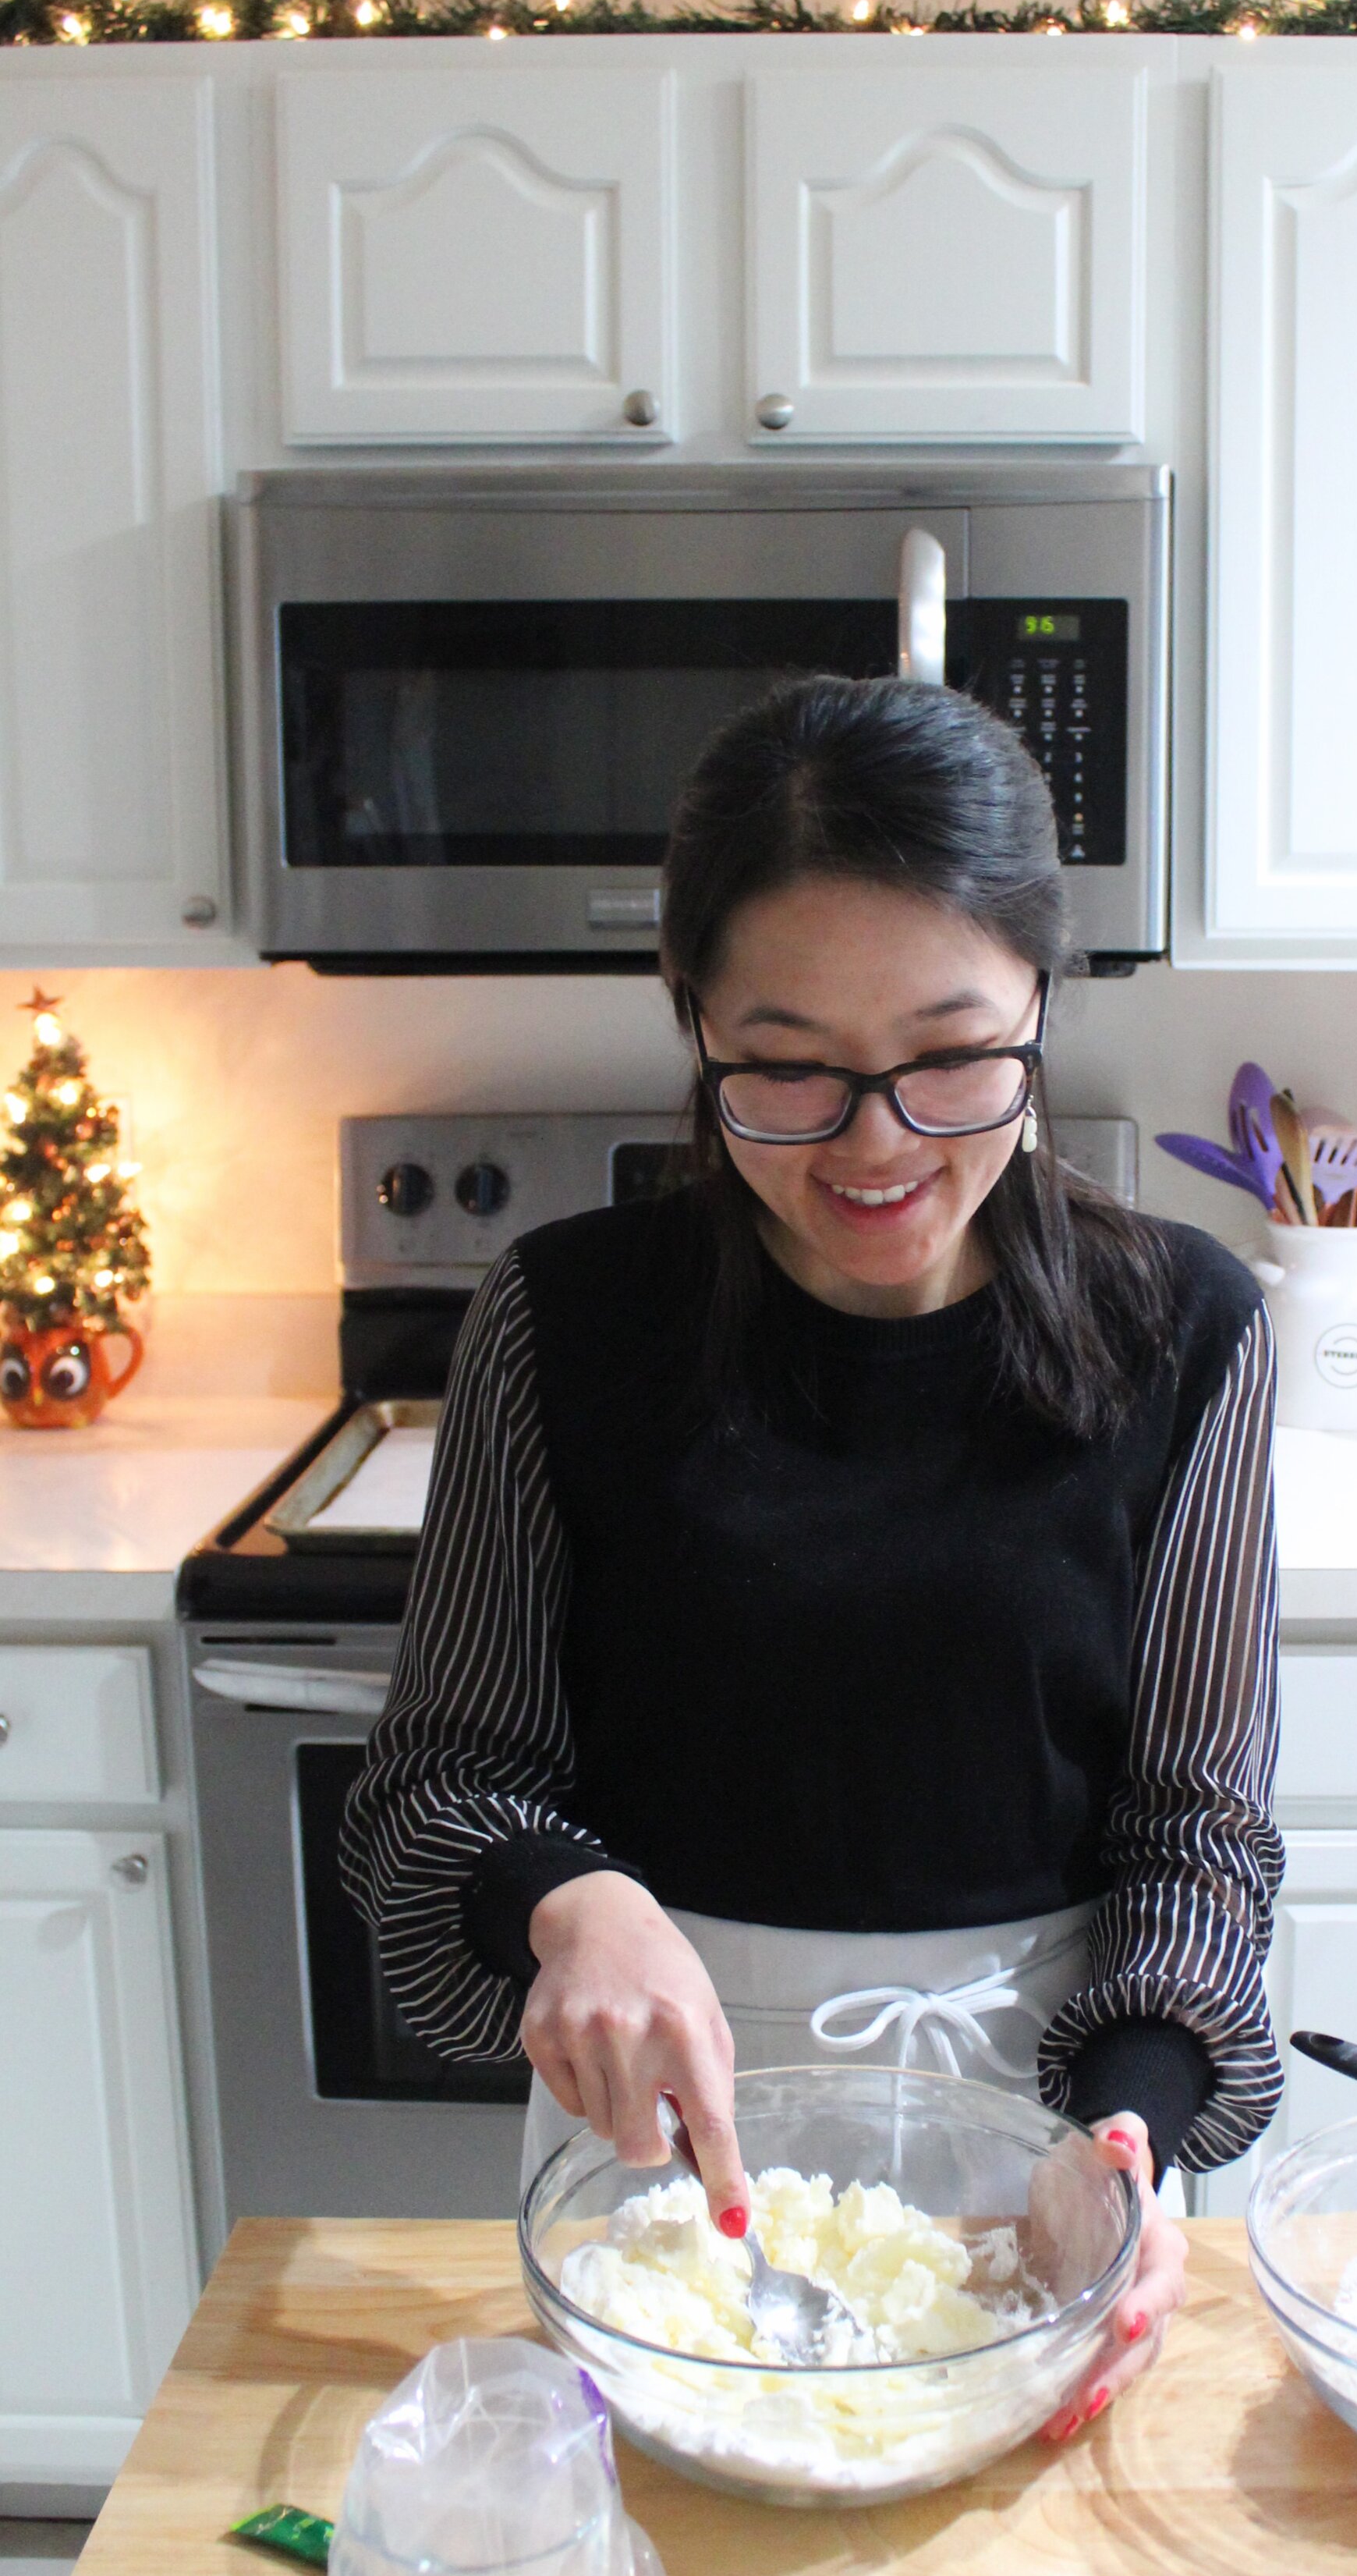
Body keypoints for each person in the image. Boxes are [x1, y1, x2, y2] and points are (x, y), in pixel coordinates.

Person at [342, 674, 1282, 2432]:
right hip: (665, 2177)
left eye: (949, 1058)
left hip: (1045, 2163)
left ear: (1039, 1001)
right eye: (785, 1068)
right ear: (693, 1021)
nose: (875, 1143)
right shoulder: (563, 1324)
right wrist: (572, 1902)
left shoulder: (1186, 1330)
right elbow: (434, 1796)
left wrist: (1127, 2134)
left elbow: (1196, 1834)